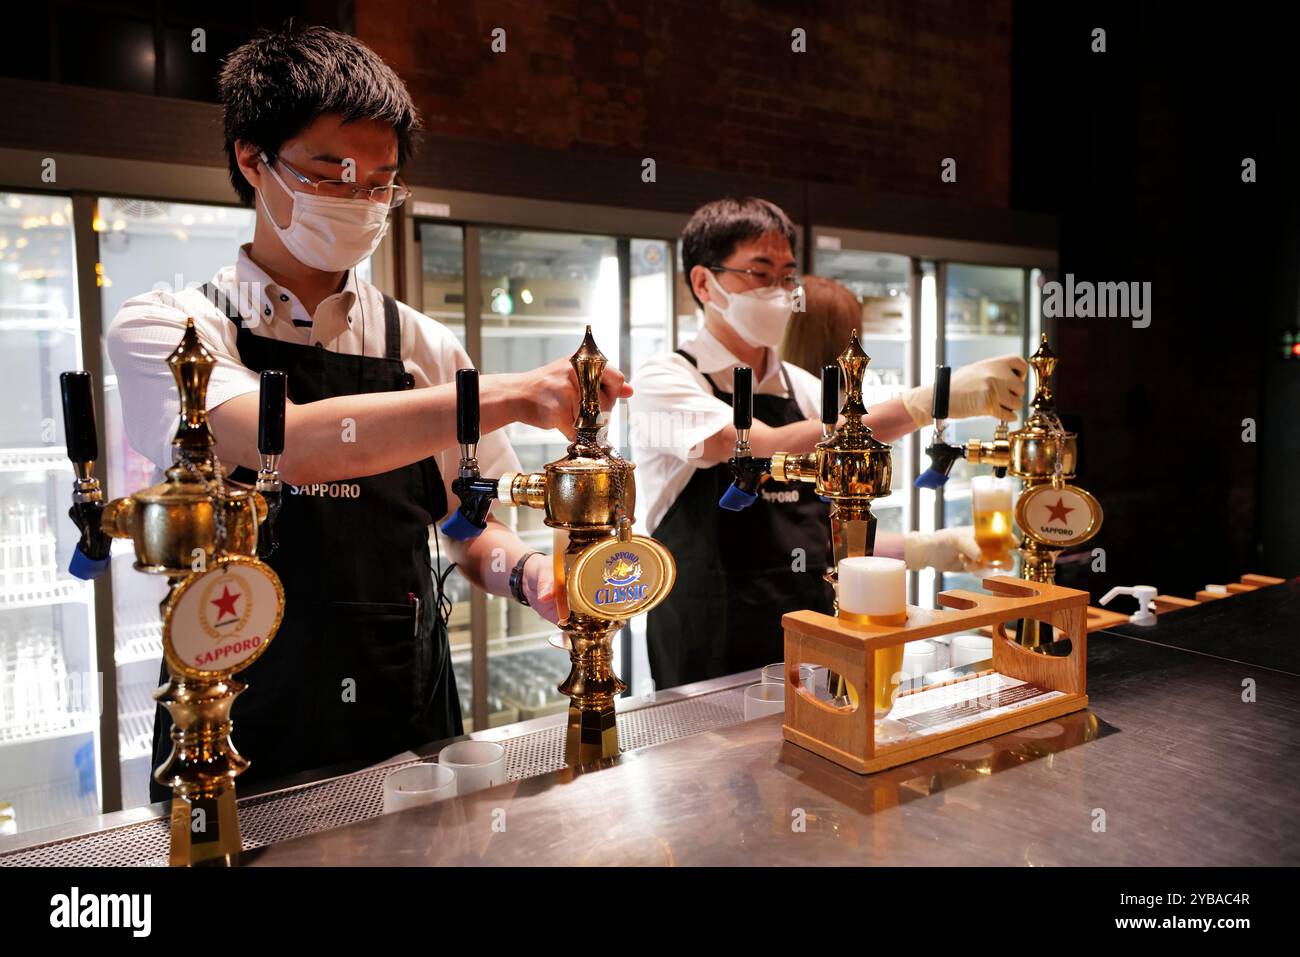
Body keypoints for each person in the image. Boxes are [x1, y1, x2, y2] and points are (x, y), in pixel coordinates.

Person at [106, 26, 630, 801]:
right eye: (333, 175)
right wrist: (511, 395)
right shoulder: (173, 331)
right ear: (254, 160)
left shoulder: (418, 342)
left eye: (380, 183)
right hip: (238, 725)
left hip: (406, 719)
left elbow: (470, 520)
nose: (360, 201)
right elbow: (271, 437)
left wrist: (527, 574)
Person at [629, 198, 1026, 689]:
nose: (779, 291)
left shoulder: (805, 388)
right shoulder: (665, 379)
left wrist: (925, 548)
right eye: (760, 273)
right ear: (704, 282)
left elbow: (820, 533)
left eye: (787, 276)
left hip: (812, 636)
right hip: (709, 650)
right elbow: (749, 446)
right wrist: (921, 405)